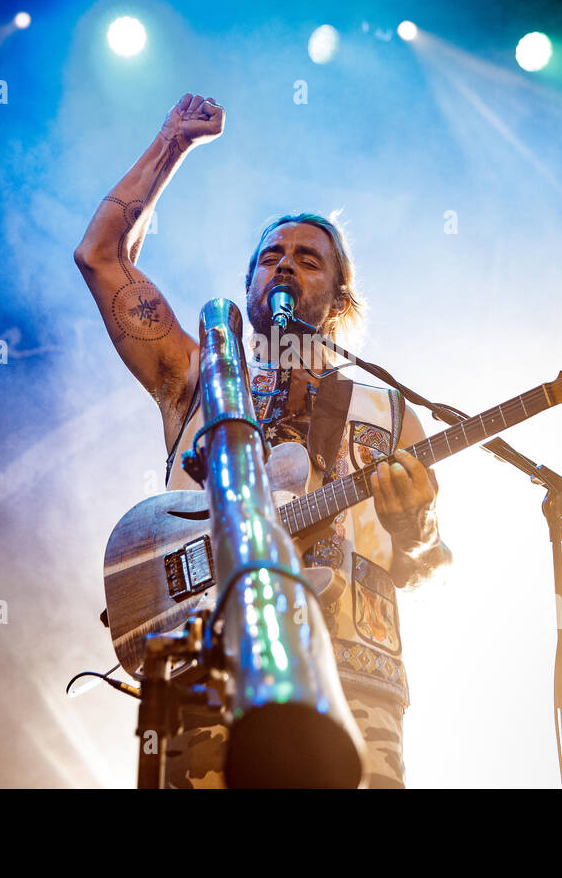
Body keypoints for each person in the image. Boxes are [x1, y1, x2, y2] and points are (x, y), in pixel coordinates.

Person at [75, 93, 452, 787]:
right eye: (270, 256)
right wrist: (171, 146)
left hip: (355, 687)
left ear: (340, 299)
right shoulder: (200, 380)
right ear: (249, 283)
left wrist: (414, 523)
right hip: (212, 671)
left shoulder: (391, 410)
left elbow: (420, 563)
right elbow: (101, 257)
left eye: (309, 260)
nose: (285, 265)